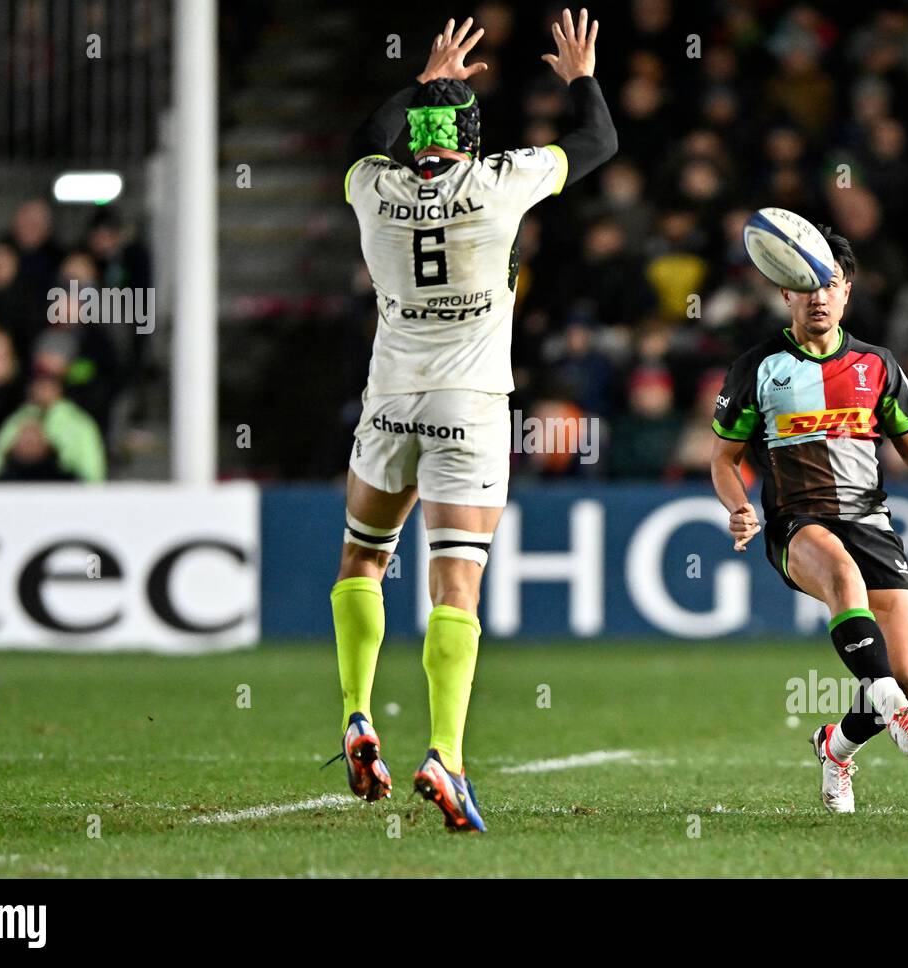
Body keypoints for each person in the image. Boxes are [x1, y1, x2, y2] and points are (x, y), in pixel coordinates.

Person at [330, 10, 616, 832]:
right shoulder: (499, 183)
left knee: (362, 556)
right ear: (473, 135)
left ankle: (356, 710)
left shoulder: (373, 191)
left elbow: (363, 139)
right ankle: (445, 754)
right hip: (471, 406)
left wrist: (421, 80)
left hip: (388, 402)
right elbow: (597, 142)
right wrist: (580, 79)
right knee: (455, 579)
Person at [709, 227, 908, 814]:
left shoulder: (878, 364)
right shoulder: (758, 368)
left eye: (831, 285)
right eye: (806, 286)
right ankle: (896, 712)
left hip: (870, 521)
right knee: (843, 578)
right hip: (798, 524)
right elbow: (723, 458)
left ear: (847, 293)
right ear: (785, 295)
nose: (819, 296)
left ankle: (835, 747)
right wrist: (739, 506)